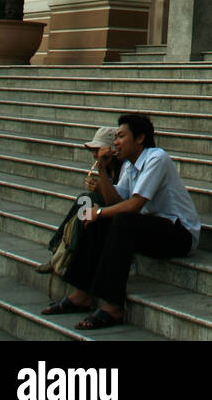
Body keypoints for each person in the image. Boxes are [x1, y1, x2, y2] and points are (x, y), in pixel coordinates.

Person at [48, 113, 201, 330]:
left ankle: (113, 306)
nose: (116, 142)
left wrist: (99, 212)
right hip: (152, 226)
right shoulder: (129, 164)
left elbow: (134, 205)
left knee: (118, 220)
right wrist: (101, 167)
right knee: (101, 219)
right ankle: (82, 294)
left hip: (179, 233)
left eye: (120, 136)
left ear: (139, 138)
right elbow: (114, 200)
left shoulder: (156, 158)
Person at [38, 126, 119, 284]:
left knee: (86, 202)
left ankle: (66, 256)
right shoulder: (108, 166)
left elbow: (115, 200)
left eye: (98, 149)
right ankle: (61, 255)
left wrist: (99, 187)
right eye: (93, 151)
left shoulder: (121, 166)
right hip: (103, 210)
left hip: (115, 215)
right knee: (84, 203)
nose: (95, 155)